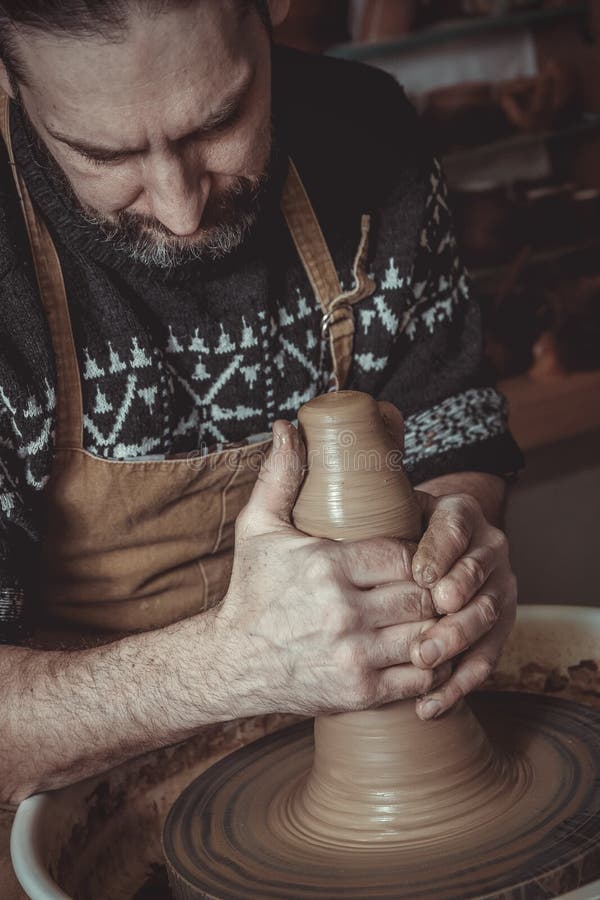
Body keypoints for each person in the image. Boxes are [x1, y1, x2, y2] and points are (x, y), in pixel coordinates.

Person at [0, 0, 522, 805]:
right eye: (103, 152)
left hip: (362, 762)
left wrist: (455, 552)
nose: (180, 206)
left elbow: (448, 424)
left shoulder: (366, 131)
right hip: (74, 791)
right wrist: (233, 665)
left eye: (217, 122)